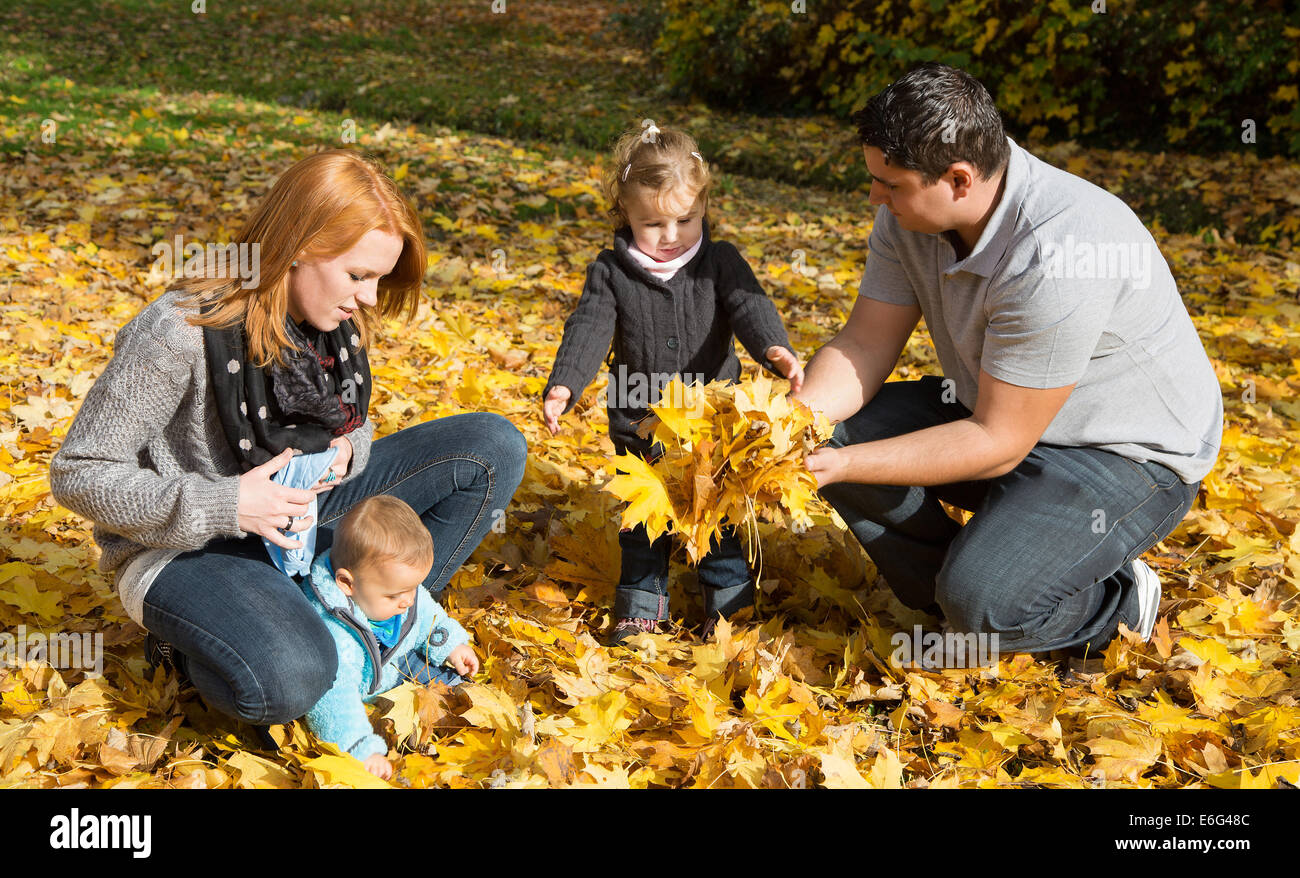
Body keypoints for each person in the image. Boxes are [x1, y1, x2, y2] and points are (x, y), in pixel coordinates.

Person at [49, 148, 527, 731]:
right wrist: (228, 504)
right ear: (300, 245)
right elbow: (79, 470)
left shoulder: (331, 325)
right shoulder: (178, 333)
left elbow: (356, 425)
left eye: (377, 278)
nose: (370, 299)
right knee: (291, 678)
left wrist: (351, 453)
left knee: (490, 447)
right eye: (359, 276)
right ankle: (201, 644)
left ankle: (381, 630)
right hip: (191, 546)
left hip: (303, 521)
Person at [795, 63, 1222, 660]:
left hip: (1124, 455)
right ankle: (968, 593)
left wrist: (838, 466)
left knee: (984, 604)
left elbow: (999, 440)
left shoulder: (1060, 250)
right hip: (998, 414)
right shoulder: (909, 216)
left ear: (959, 179)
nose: (875, 196)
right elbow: (865, 343)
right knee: (829, 432)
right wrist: (790, 423)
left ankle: (1114, 601)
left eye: (889, 184)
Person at [541, 123, 805, 646]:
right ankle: (642, 603)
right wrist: (565, 385)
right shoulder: (612, 271)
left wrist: (774, 349)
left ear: (704, 206)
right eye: (652, 223)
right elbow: (589, 326)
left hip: (713, 422)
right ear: (626, 215)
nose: (670, 235)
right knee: (646, 517)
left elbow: (750, 304)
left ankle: (727, 604)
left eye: (685, 219)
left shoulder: (720, 261)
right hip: (639, 420)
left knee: (721, 512)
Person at [301, 494, 479, 780]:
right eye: (396, 595)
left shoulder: (400, 594)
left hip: (394, 667)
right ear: (347, 583)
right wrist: (361, 747)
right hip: (356, 692)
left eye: (414, 588)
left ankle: (461, 705)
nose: (408, 601)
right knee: (339, 706)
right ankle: (372, 743)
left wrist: (450, 645)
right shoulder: (333, 629)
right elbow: (334, 697)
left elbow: (427, 616)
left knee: (451, 682)